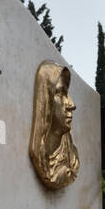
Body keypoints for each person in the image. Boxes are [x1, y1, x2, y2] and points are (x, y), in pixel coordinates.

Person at [27, 61, 78, 189]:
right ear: (46, 99)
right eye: (60, 94)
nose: (71, 104)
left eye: (67, 94)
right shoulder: (38, 154)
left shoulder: (72, 161)